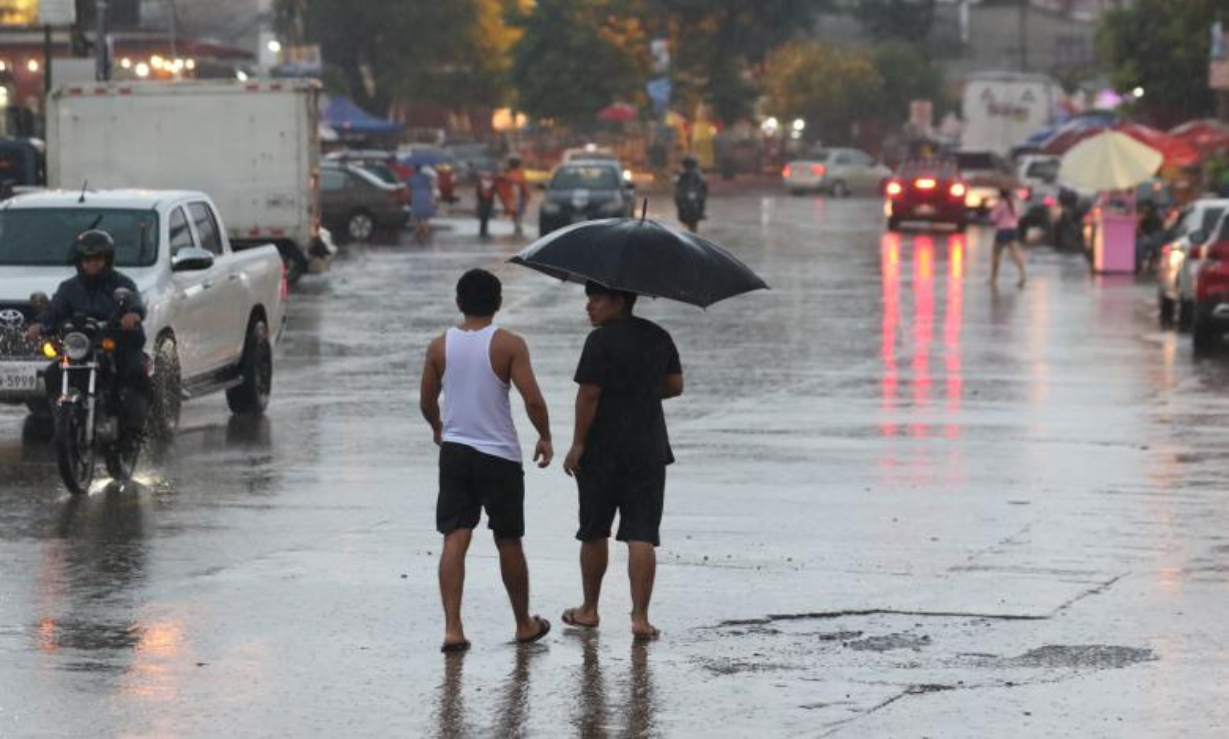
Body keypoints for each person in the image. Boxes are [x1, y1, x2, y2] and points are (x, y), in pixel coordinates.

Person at [419, 268, 554, 653]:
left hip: (456, 451)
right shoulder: (509, 345)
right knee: (508, 539)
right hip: (499, 456)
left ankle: (453, 628)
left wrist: (437, 427)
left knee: (455, 538)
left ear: (459, 302)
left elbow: (427, 400)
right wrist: (544, 435)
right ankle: (523, 623)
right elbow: (533, 399)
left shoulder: (438, 346)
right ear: (498, 303)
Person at [561, 281, 684, 641]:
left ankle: (589, 610)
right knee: (642, 533)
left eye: (596, 300)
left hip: (601, 450)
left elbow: (588, 394)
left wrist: (577, 444)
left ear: (619, 300)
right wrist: (641, 391)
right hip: (648, 449)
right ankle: (641, 619)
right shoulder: (659, 336)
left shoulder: (600, 341)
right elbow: (675, 385)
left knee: (595, 530)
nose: (589, 307)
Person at [26, 230, 151, 444]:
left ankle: (133, 431)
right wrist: (40, 324)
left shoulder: (122, 284)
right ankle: (63, 420)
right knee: (54, 373)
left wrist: (132, 314)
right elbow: (54, 310)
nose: (91, 264)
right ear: (79, 261)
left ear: (107, 259)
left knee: (136, 370)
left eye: (97, 259)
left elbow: (134, 302)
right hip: (82, 348)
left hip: (117, 344)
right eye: (86, 259)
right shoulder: (69, 288)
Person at [989, 187, 1027, 288]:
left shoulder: (1000, 204)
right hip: (1013, 230)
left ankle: (993, 278)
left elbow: (993, 218)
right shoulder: (1014, 203)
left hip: (1002, 231)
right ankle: (1022, 275)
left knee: (996, 255)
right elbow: (1019, 215)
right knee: (1015, 254)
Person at [673, 155, 708, 232]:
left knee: (691, 218)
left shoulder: (693, 174)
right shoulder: (685, 174)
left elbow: (703, 187)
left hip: (691, 199)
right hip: (689, 199)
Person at [496, 156, 529, 236]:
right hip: (515, 196)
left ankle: (518, 225)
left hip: (515, 196)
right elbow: (524, 184)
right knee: (517, 212)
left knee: (516, 212)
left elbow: (523, 184)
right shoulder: (514, 173)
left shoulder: (510, 173)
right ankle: (517, 225)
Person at [409, 164, 436, 242]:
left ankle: (418, 231)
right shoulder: (427, 177)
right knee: (425, 217)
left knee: (417, 216)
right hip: (426, 196)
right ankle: (424, 231)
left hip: (416, 196)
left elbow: (409, 186)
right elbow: (432, 186)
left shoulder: (412, 178)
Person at [475, 167, 498, 239]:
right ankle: (483, 231)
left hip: (487, 201)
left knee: (486, 217)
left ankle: (484, 231)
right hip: (484, 202)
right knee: (484, 217)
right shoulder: (482, 183)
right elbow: (478, 192)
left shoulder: (491, 183)